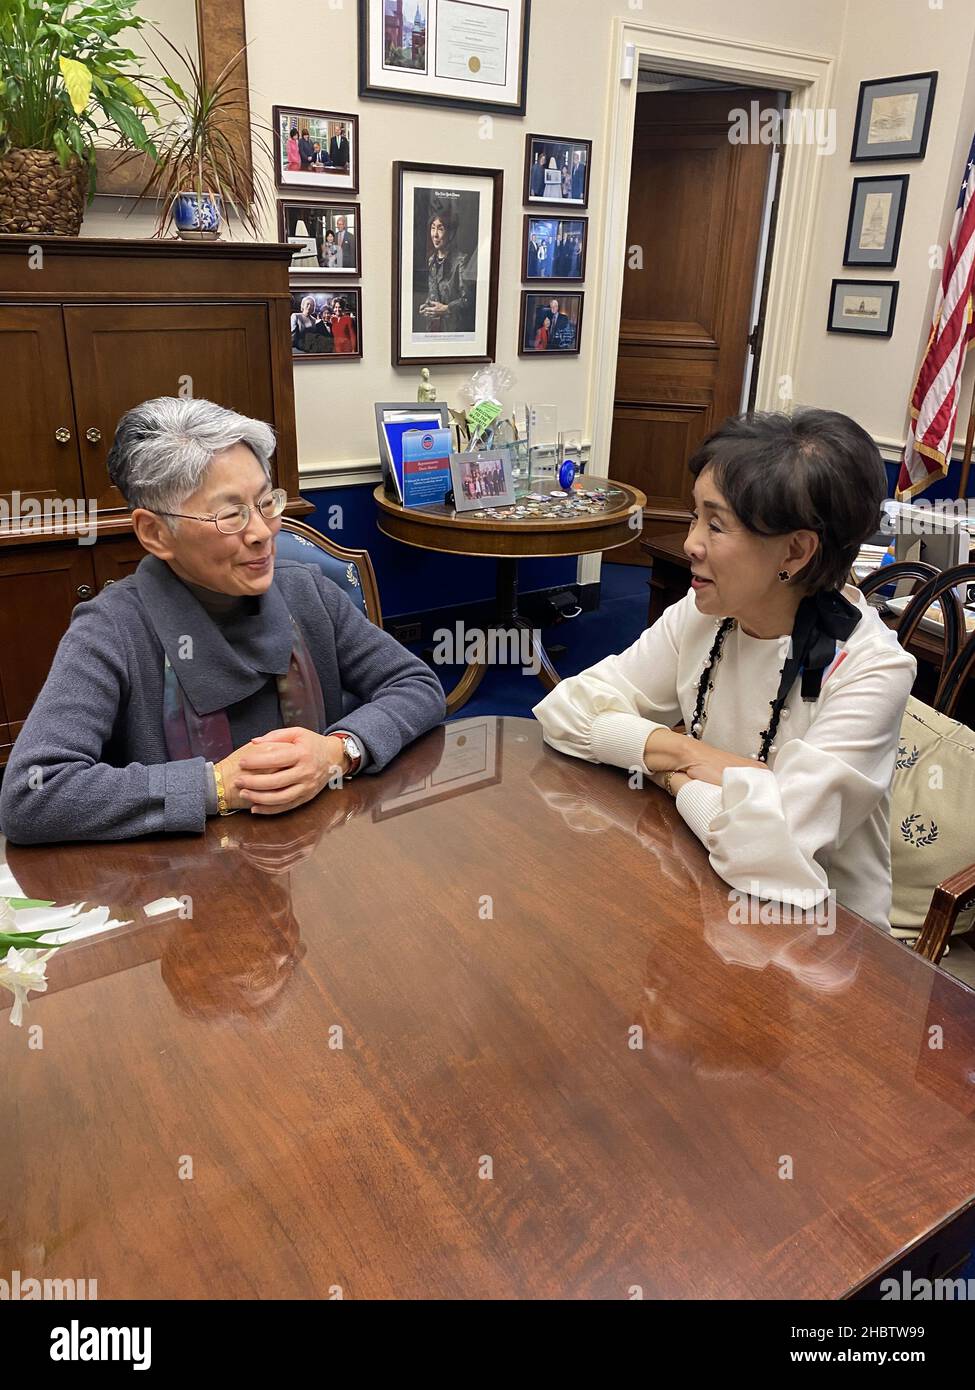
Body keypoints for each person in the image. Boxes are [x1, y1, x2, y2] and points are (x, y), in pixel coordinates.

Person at [533, 409, 917, 929]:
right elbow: (566, 710)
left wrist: (649, 755)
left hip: (824, 942)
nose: (691, 542)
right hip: (703, 888)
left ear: (796, 550)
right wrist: (688, 757)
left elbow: (770, 853)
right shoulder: (702, 613)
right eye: (695, 517)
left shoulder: (872, 671)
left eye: (715, 524)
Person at [0, 397, 446, 844]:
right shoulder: (111, 631)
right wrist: (218, 786)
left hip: (320, 862)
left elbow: (417, 685)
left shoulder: (304, 591)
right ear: (155, 533)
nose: (262, 533)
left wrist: (340, 750)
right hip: (183, 886)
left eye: (266, 502)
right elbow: (31, 793)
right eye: (230, 514)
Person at [418, 203, 473, 333]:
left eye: (440, 229)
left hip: (454, 330)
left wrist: (447, 308)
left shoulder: (461, 261)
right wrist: (427, 305)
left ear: (451, 233)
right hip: (434, 329)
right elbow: (435, 293)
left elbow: (468, 301)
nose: (435, 235)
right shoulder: (432, 260)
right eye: (433, 228)